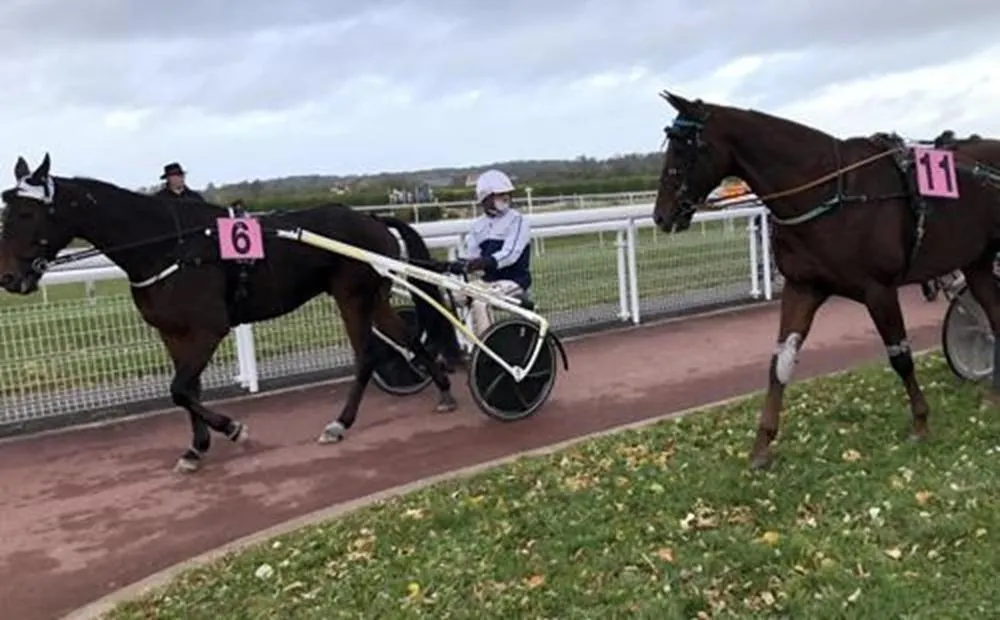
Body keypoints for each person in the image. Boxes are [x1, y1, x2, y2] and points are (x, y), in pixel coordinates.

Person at [455, 169, 532, 336]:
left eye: (507, 194)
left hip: (515, 281)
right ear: (485, 199)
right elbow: (472, 257)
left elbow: (510, 254)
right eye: (499, 194)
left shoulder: (518, 220)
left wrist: (485, 262)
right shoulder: (477, 227)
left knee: (481, 302)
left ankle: (488, 349)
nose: (505, 198)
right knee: (451, 296)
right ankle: (457, 345)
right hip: (488, 282)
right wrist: (463, 265)